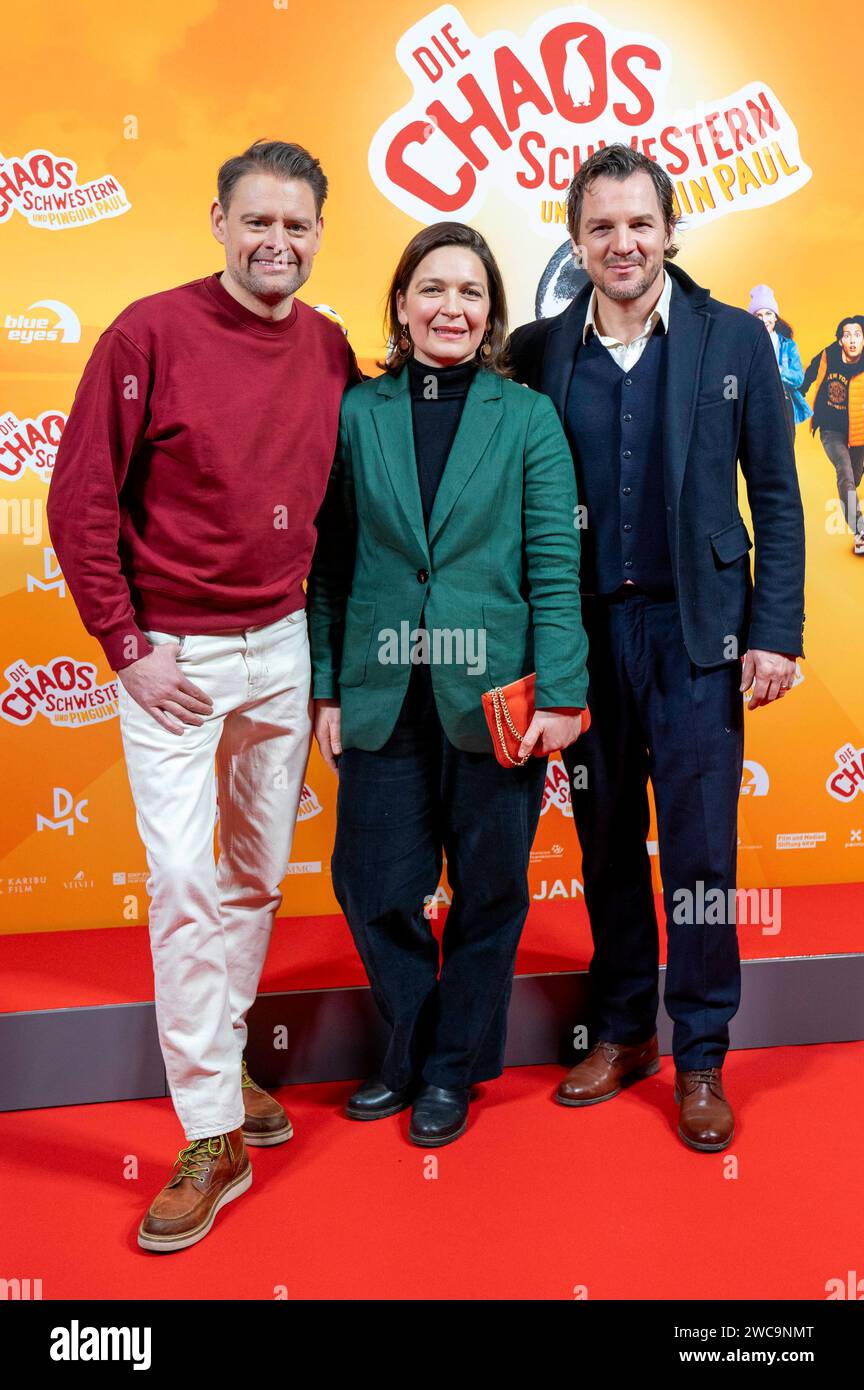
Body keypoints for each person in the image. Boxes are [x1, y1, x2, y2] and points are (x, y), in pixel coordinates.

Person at [46, 139, 360, 1250]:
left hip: (279, 651)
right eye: (258, 221)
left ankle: (220, 1081)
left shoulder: (329, 348)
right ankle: (210, 1135)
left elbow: (344, 519)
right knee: (183, 879)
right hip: (169, 659)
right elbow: (79, 501)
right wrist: (129, 646)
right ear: (219, 221)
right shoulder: (146, 334)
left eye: (299, 226)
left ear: (321, 235)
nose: (278, 242)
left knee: (252, 880)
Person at [508, 144, 805, 1152]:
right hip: (586, 639)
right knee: (602, 845)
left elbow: (775, 492)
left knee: (702, 855)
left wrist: (775, 630)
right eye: (601, 227)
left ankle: (705, 1054)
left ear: (670, 229)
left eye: (640, 223)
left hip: (699, 637)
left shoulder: (732, 340)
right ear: (577, 238)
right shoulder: (542, 347)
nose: (622, 243)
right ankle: (626, 1028)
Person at [308, 222, 589, 1148]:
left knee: (491, 886)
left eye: (471, 293)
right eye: (432, 289)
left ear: (492, 312)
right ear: (400, 304)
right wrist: (327, 688)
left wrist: (561, 693)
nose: (451, 308)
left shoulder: (527, 418)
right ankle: (420, 1046)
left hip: (497, 697)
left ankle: (448, 1074)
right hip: (381, 686)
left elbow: (554, 563)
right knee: (372, 882)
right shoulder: (359, 411)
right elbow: (333, 564)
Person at [802, 315, 864, 555]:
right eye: (847, 335)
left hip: (859, 432)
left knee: (854, 478)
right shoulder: (828, 355)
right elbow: (807, 378)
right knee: (845, 472)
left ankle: (849, 497)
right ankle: (860, 530)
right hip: (831, 429)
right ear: (840, 340)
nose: (852, 340)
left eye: (857, 335)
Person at [746, 284, 812, 440]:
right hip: (755, 404)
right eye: (758, 315)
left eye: (768, 313)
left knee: (786, 451)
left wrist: (777, 369)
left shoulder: (788, 345)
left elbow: (798, 379)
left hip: (782, 402)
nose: (764, 319)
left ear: (775, 316)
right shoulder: (745, 345)